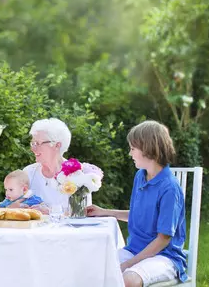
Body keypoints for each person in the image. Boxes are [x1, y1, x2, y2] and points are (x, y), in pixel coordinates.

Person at [86, 120, 187, 287]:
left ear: (148, 149)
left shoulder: (170, 188)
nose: (130, 153)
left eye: (133, 148)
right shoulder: (140, 176)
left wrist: (129, 264)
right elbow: (138, 215)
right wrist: (104, 211)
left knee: (128, 279)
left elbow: (163, 239)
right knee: (92, 268)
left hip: (164, 256)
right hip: (135, 249)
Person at [23, 118, 92, 214]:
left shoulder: (77, 174)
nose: (33, 148)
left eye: (38, 143)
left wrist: (50, 212)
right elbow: (18, 204)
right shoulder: (28, 173)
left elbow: (83, 213)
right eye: (33, 143)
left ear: (57, 145)